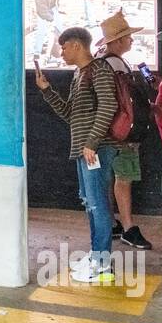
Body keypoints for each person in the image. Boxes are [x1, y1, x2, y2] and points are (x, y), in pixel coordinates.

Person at [35, 26, 120, 283]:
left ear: (76, 45)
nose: (61, 52)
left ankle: (103, 264)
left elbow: (109, 105)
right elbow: (70, 115)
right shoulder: (79, 74)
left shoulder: (99, 69)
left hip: (96, 150)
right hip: (84, 149)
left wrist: (92, 142)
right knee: (90, 202)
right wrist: (47, 90)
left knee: (98, 203)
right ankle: (96, 255)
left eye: (63, 47)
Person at [97, 12, 153, 250]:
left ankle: (111, 222)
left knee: (108, 178)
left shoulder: (100, 62)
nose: (131, 40)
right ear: (118, 41)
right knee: (124, 177)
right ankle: (129, 228)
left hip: (104, 133)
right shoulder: (118, 66)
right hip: (122, 134)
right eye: (128, 37)